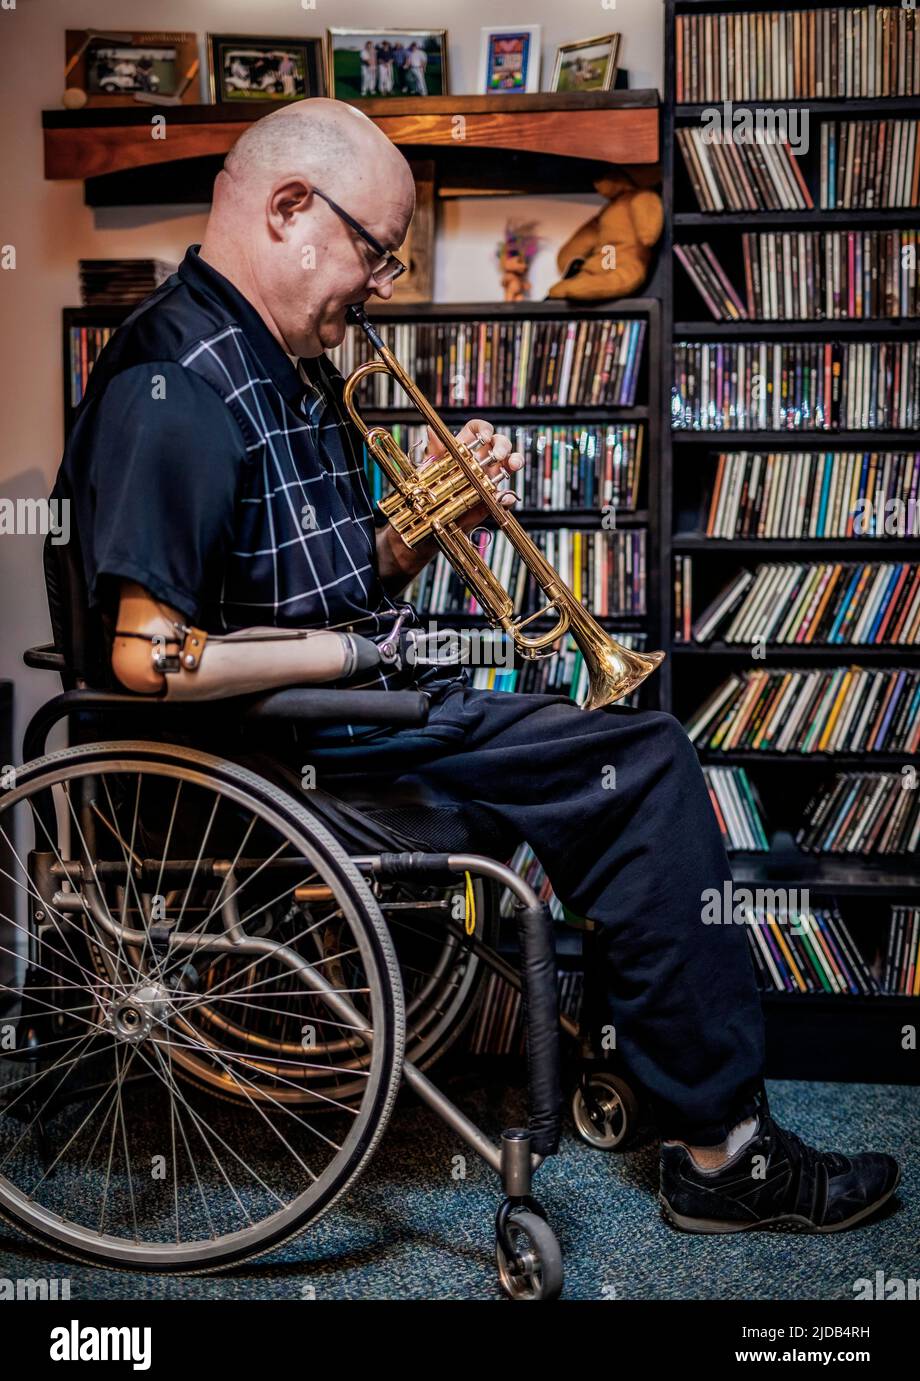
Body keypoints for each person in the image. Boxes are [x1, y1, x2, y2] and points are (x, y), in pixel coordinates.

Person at [50, 98, 901, 1236]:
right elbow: (146, 658)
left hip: (334, 719)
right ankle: (720, 1152)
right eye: (375, 250)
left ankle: (666, 1078)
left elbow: (329, 579)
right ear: (289, 209)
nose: (383, 283)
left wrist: (423, 522)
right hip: (280, 756)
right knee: (643, 765)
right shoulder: (177, 379)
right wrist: (353, 650)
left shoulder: (277, 361)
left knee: (609, 742)